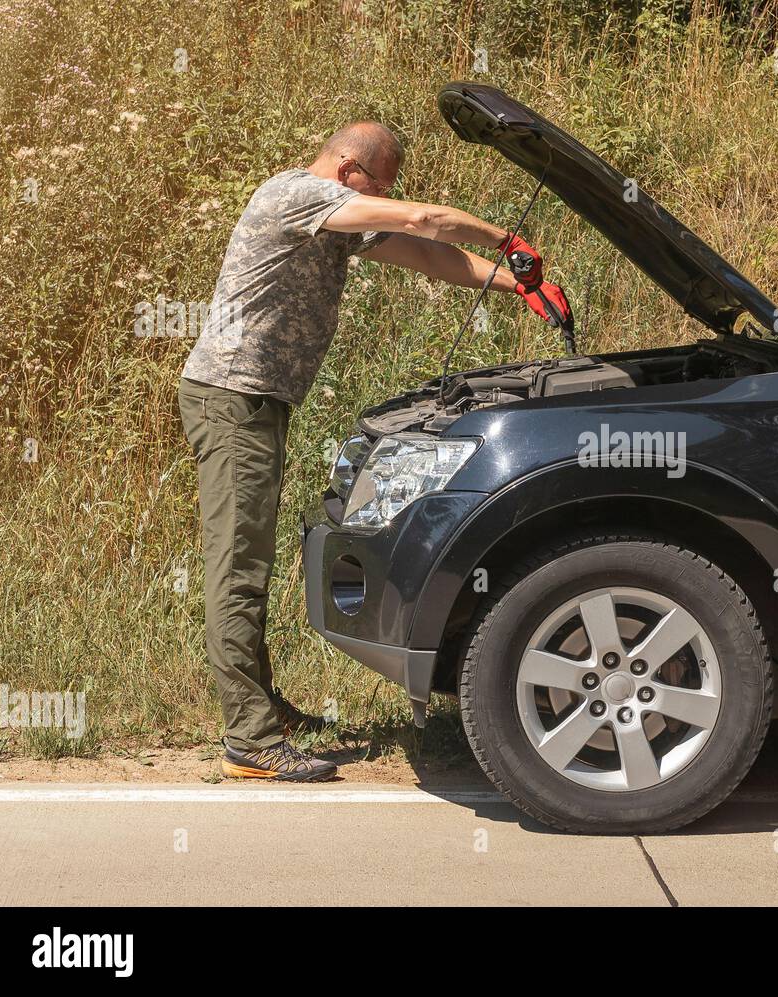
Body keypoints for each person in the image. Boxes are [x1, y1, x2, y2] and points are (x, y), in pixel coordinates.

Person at [177, 121, 570, 781]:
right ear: (347, 169)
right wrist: (506, 238)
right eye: (380, 186)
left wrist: (515, 284)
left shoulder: (335, 219)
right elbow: (423, 219)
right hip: (232, 398)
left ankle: (261, 709)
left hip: (253, 399)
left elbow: (427, 254)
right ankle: (249, 739)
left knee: (249, 556)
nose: (385, 198)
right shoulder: (296, 194)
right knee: (238, 564)